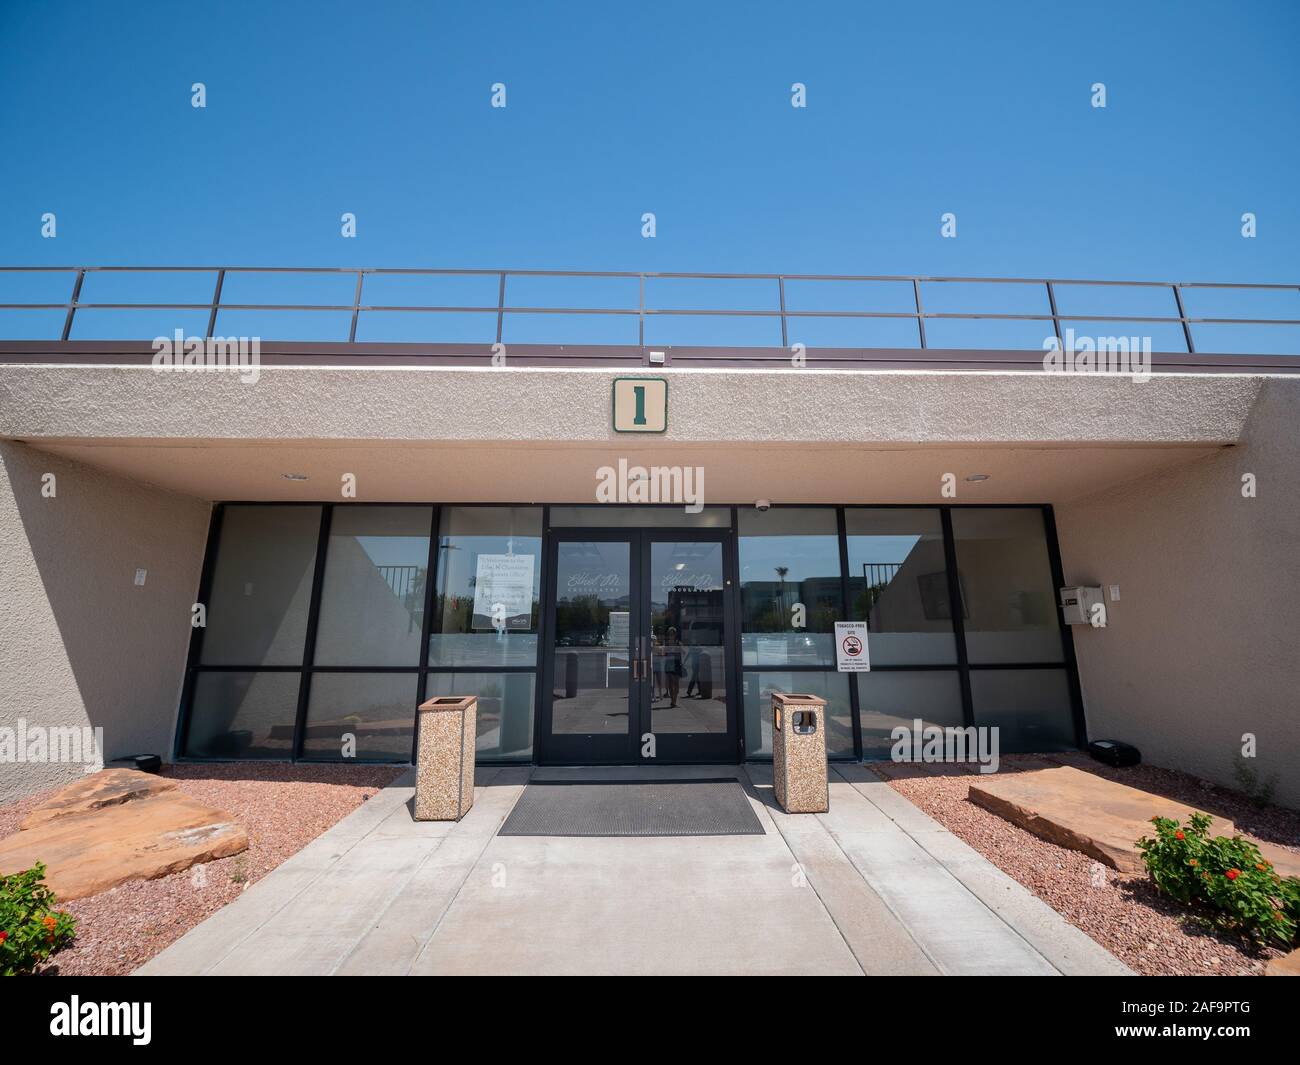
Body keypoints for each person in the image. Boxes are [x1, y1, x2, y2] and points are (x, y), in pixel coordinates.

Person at [663, 626, 685, 708]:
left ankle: (674, 700)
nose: (671, 635)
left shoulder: (678, 642)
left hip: (676, 663)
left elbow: (683, 652)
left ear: (675, 634)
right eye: (670, 633)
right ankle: (673, 702)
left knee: (676, 684)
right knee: (670, 683)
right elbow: (664, 653)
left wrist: (678, 649)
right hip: (669, 662)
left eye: (672, 633)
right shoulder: (667, 643)